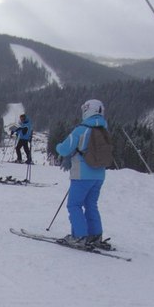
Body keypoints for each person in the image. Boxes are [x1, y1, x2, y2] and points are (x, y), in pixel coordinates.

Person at [55, 99, 109, 248]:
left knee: (74, 205)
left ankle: (79, 236)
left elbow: (64, 149)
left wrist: (58, 146)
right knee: (91, 204)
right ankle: (95, 235)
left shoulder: (81, 130)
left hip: (81, 174)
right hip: (99, 175)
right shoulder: (104, 130)